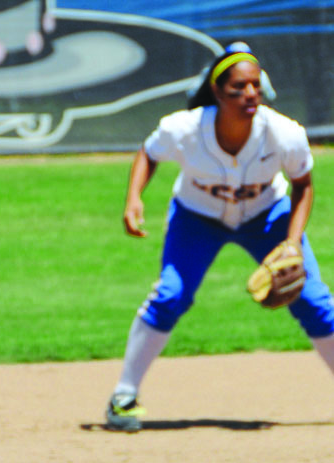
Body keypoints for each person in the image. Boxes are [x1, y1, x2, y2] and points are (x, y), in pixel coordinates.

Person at [105, 42, 334, 432]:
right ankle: (123, 397)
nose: (249, 94)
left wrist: (293, 241)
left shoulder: (283, 133)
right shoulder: (185, 128)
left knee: (313, 301)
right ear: (216, 91)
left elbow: (303, 185)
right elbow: (148, 152)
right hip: (197, 217)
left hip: (268, 215)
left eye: (255, 87)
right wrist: (133, 198)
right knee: (170, 294)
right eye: (238, 88)